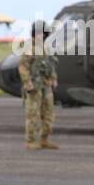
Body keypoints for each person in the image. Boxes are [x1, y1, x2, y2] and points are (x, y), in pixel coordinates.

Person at [19, 19, 59, 150]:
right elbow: (23, 67)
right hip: (34, 86)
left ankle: (44, 139)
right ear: (35, 34)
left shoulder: (47, 48)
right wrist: (27, 82)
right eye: (41, 33)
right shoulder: (29, 48)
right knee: (33, 114)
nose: (43, 36)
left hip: (46, 85)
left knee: (48, 114)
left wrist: (54, 79)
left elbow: (50, 65)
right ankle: (30, 141)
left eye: (45, 34)